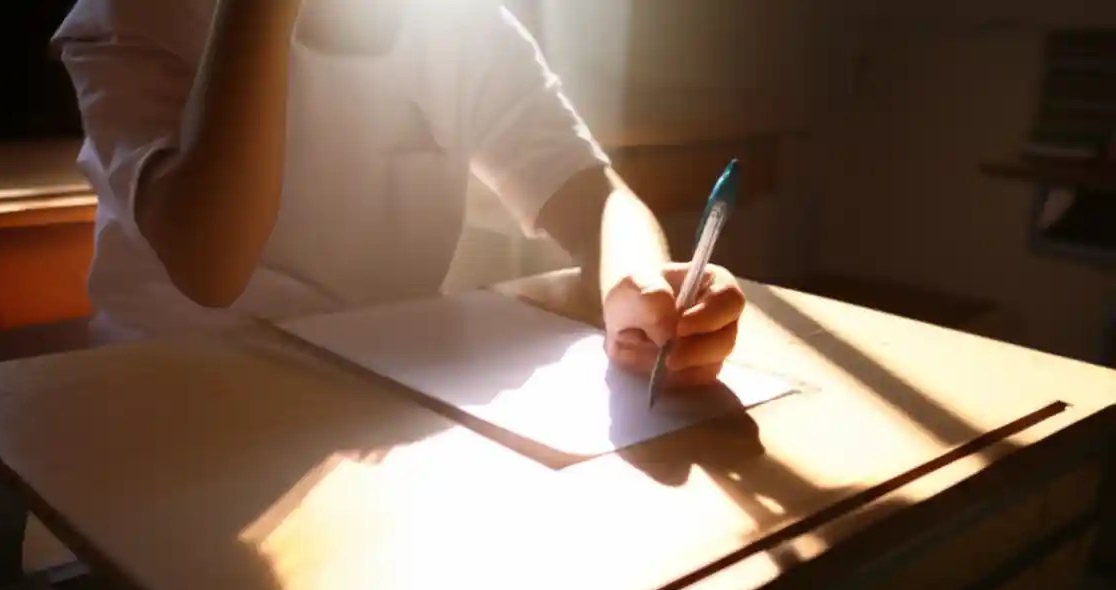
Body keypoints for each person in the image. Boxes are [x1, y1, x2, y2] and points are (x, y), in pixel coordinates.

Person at [51, 0, 745, 388]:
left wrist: (635, 281)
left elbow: (595, 196)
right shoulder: (138, 15)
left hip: (374, 393)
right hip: (167, 402)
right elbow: (212, 266)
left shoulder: (458, 26)